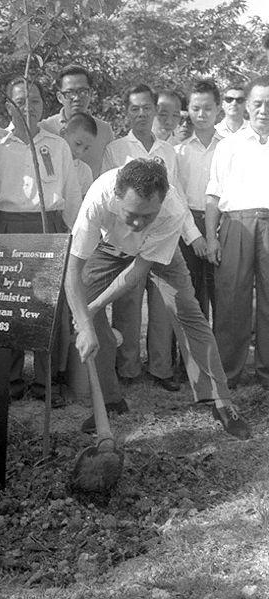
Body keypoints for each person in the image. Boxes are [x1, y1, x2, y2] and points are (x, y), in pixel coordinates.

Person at [64, 158, 250, 440]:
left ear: (161, 203)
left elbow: (136, 272)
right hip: (110, 247)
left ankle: (221, 401)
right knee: (83, 306)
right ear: (116, 196)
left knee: (188, 312)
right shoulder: (98, 198)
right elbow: (72, 272)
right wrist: (86, 320)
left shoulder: (173, 209)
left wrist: (93, 308)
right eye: (131, 214)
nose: (138, 223)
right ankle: (110, 401)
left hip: (158, 255)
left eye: (147, 216)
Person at [102, 84, 205, 392]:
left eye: (147, 107)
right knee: (128, 305)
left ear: (154, 109)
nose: (141, 113)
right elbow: (111, 199)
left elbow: (177, 198)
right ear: (127, 112)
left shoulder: (166, 150)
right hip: (129, 238)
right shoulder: (116, 149)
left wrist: (194, 235)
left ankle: (161, 369)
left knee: (163, 305)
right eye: (134, 108)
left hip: (163, 240)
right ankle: (129, 368)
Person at [0, 77, 82, 402]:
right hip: (10, 226)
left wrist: (73, 238)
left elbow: (70, 196)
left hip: (49, 224)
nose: (29, 108)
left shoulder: (57, 146)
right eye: (20, 101)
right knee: (10, 306)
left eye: (35, 101)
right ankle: (10, 379)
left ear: (44, 106)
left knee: (48, 306)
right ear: (8, 107)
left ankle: (47, 381)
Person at [206, 75, 269, 389]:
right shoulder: (228, 145)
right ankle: (228, 372)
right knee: (232, 300)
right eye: (257, 103)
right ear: (247, 105)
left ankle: (267, 372)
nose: (263, 110)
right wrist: (211, 236)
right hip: (235, 224)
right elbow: (213, 196)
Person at [176, 79, 222, 320]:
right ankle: (188, 357)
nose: (201, 114)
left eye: (207, 108)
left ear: (218, 109)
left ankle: (222, 354)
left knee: (222, 294)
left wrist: (213, 234)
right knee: (190, 296)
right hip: (187, 226)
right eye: (195, 108)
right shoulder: (178, 152)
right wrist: (194, 236)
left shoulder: (228, 147)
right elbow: (177, 199)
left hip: (223, 225)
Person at [41, 64, 114, 178]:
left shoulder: (104, 130)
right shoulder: (45, 128)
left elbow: (110, 174)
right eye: (69, 93)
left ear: (90, 94)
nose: (76, 98)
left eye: (82, 91)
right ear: (60, 97)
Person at [61, 112, 95, 197]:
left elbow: (85, 203)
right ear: (63, 133)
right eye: (78, 143)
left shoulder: (85, 171)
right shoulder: (46, 160)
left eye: (86, 148)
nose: (79, 151)